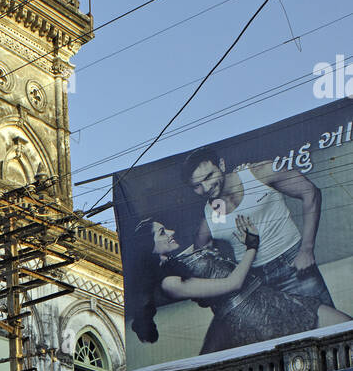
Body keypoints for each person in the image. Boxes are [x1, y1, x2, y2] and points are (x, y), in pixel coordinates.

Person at [130, 216, 348, 354]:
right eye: (162, 232)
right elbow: (234, 283)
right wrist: (251, 246)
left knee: (345, 327)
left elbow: (204, 240)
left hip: (267, 297)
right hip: (252, 317)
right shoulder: (169, 284)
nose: (171, 233)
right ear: (149, 248)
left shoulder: (177, 262)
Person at [184, 148, 338, 309]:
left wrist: (307, 249)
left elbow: (311, 192)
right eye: (197, 185)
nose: (206, 187)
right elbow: (200, 264)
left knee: (327, 325)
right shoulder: (208, 219)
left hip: (294, 266)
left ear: (221, 164)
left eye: (209, 176)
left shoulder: (259, 173)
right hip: (255, 284)